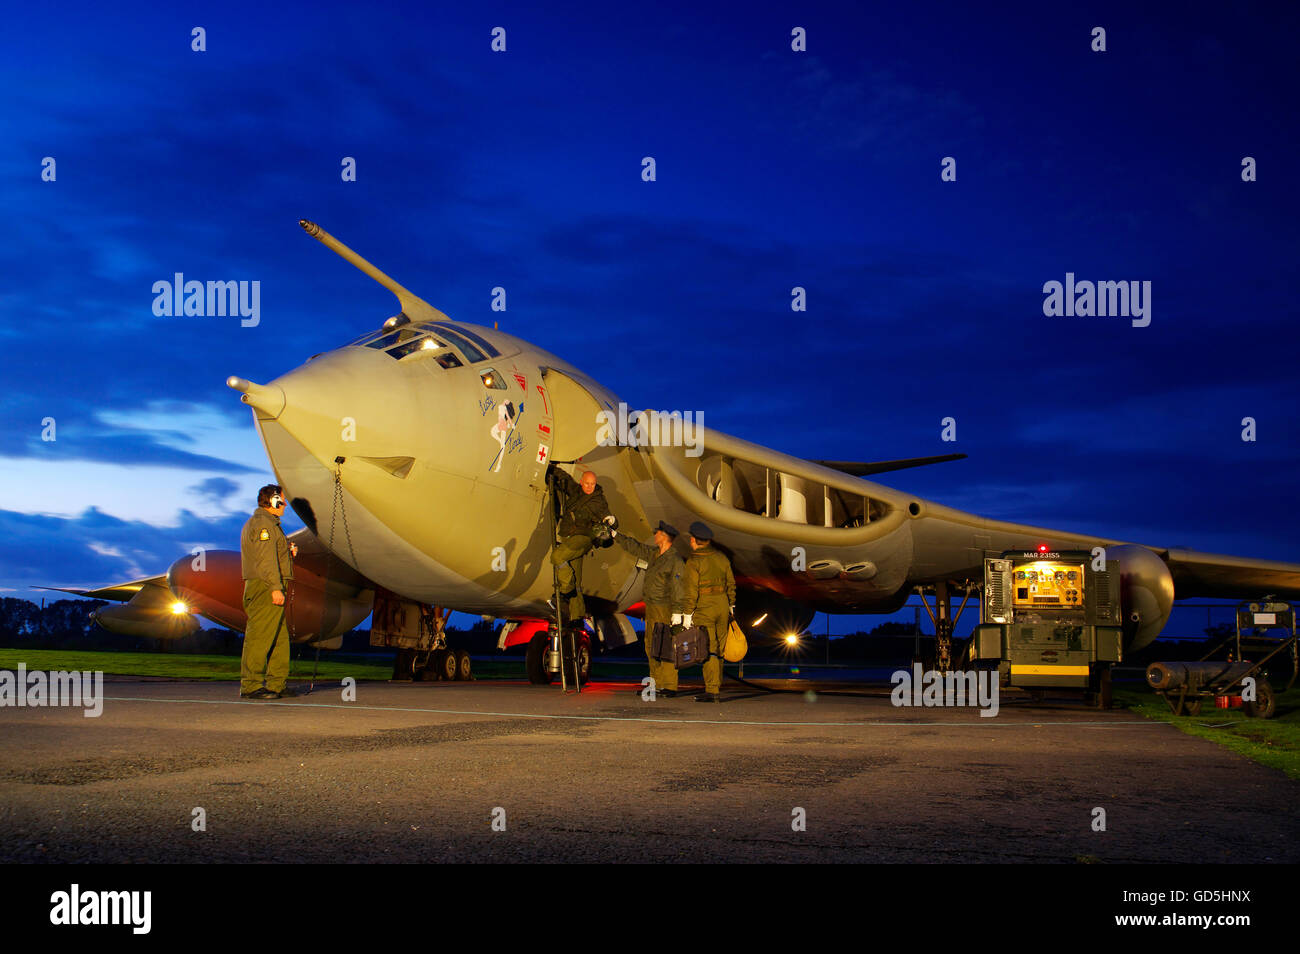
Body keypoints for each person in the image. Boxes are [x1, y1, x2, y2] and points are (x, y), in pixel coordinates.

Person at [614, 520, 685, 697]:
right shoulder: (654, 554)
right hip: (652, 607)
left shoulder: (675, 561)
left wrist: (677, 612)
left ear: (665, 537)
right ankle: (655, 684)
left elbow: (678, 587)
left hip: (665, 608)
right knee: (652, 646)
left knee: (666, 646)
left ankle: (669, 686)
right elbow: (636, 548)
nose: (655, 535)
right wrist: (616, 536)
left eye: (657, 533)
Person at [239, 484, 298, 699]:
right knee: (260, 637)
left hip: (272, 584)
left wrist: (288, 554)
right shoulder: (264, 525)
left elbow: (270, 555)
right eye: (282, 500)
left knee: (279, 638)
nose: (285, 505)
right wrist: (275, 588)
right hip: (265, 586)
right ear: (273, 501)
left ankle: (276, 683)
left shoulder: (268, 524)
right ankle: (251, 685)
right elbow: (266, 561)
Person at [549, 466, 612, 621]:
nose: (590, 487)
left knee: (557, 557)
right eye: (587, 483)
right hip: (569, 536)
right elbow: (566, 480)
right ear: (582, 482)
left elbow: (608, 516)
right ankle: (577, 618)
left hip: (584, 538)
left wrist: (610, 521)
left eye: (593, 484)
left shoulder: (598, 500)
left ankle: (566, 591)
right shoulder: (576, 491)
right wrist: (552, 469)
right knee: (576, 579)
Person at [681, 521, 735, 703]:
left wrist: (687, 614)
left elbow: (690, 590)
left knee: (708, 648)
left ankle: (712, 690)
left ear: (694, 540)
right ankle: (716, 685)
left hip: (705, 606)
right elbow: (731, 583)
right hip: (722, 604)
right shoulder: (721, 557)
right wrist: (731, 604)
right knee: (719, 646)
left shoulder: (694, 561)